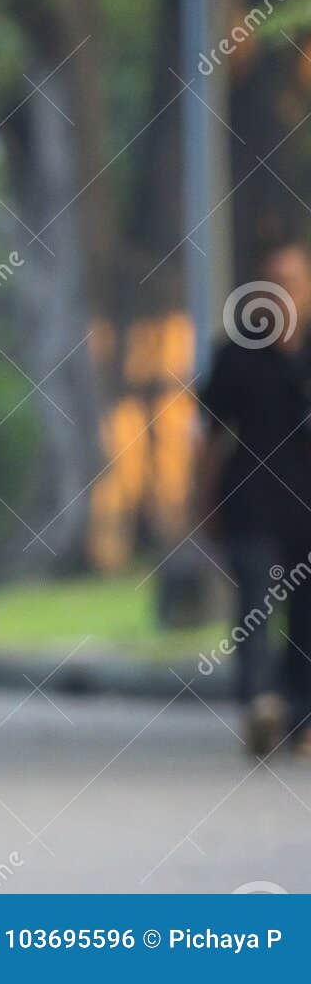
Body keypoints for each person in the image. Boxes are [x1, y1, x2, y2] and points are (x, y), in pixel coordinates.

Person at [198, 238, 311, 759]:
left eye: (292, 281)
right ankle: (260, 702)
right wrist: (200, 503)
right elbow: (210, 436)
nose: (284, 293)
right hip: (250, 502)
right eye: (274, 282)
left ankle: (301, 715)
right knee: (256, 604)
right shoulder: (236, 353)